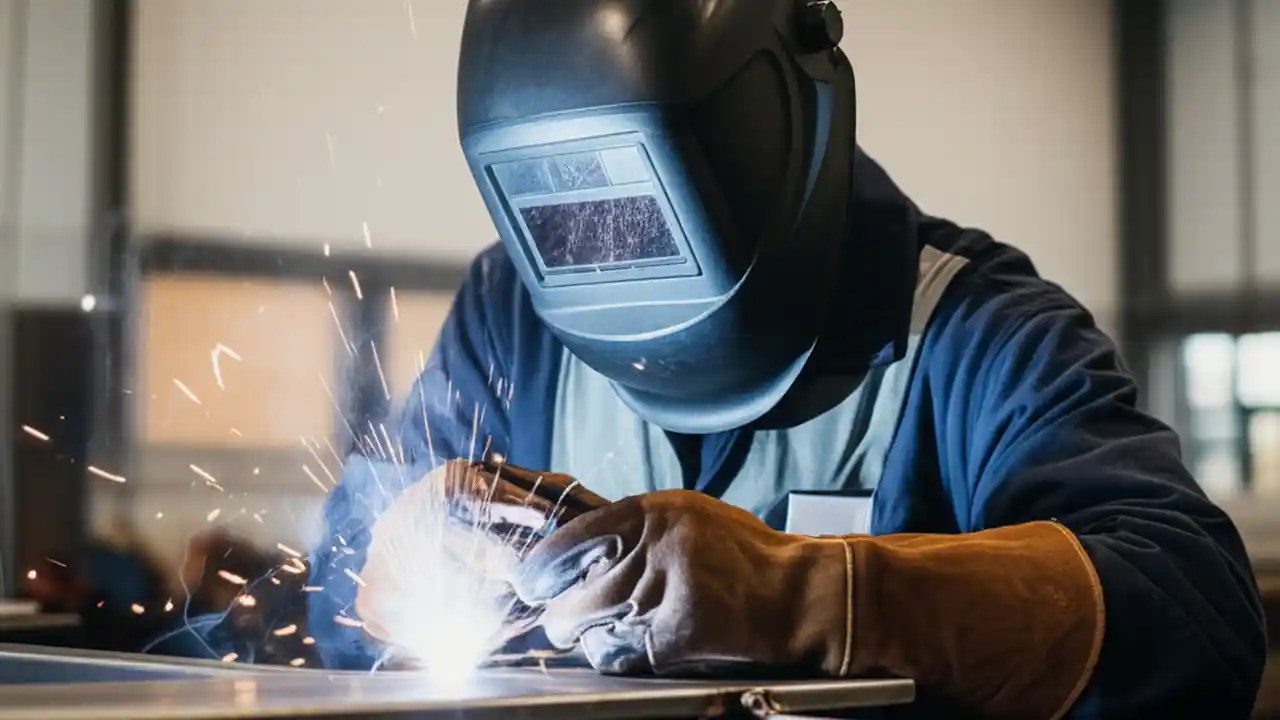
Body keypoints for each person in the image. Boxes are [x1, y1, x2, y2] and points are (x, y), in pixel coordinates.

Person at [309, 1, 1266, 717]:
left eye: (641, 203)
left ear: (757, 137)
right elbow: (324, 589)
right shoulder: (512, 311)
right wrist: (395, 555)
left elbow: (1200, 618)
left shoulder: (970, 329)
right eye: (560, 220)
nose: (609, 250)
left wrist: (814, 596)